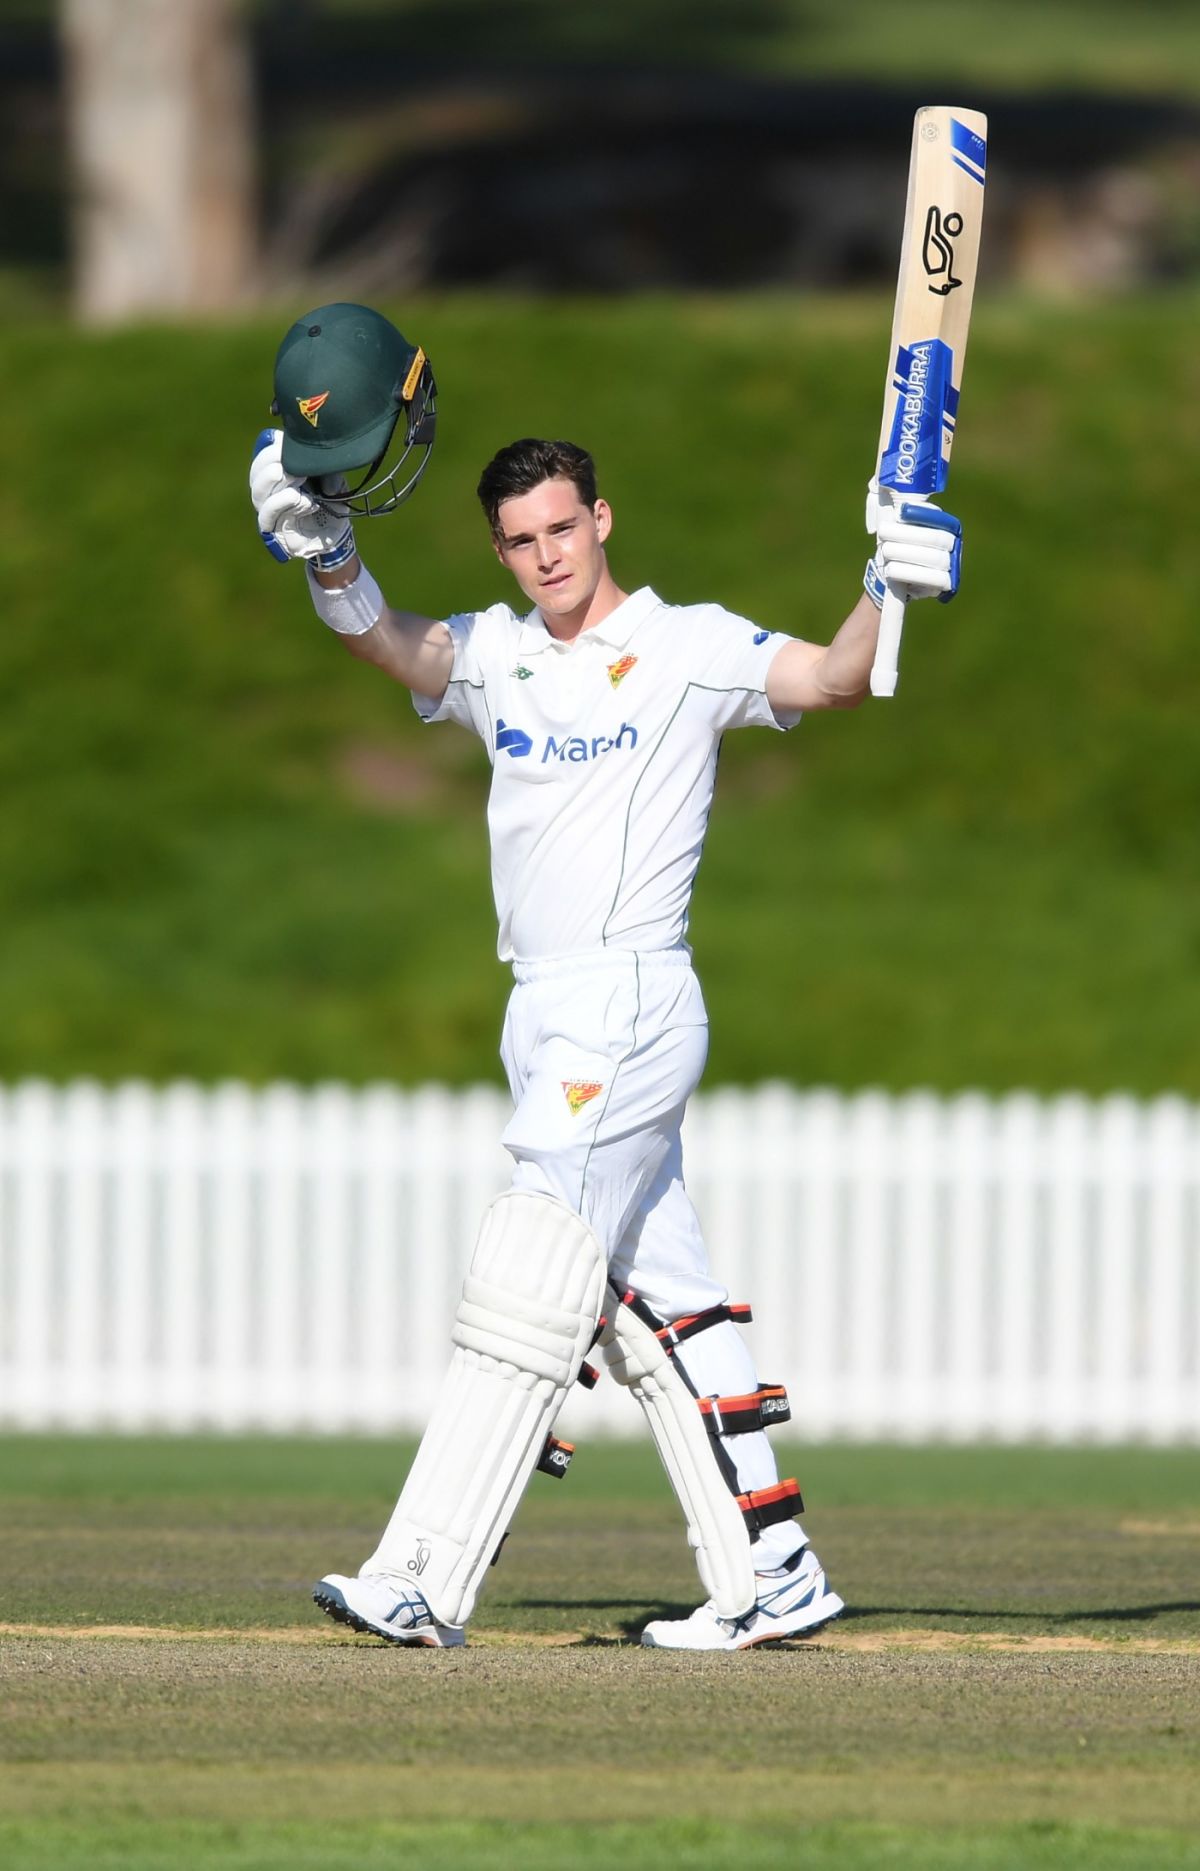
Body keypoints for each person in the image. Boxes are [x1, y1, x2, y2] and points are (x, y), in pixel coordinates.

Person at [249, 302, 962, 1651]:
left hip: (629, 999)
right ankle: (774, 1573)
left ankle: (424, 1575)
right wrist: (322, 557)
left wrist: (889, 584)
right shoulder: (501, 652)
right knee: (657, 1301)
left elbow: (831, 682)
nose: (543, 558)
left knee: (530, 1270)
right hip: (544, 1005)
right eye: (519, 542)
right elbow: (390, 646)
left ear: (603, 521)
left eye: (560, 531)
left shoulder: (688, 646)